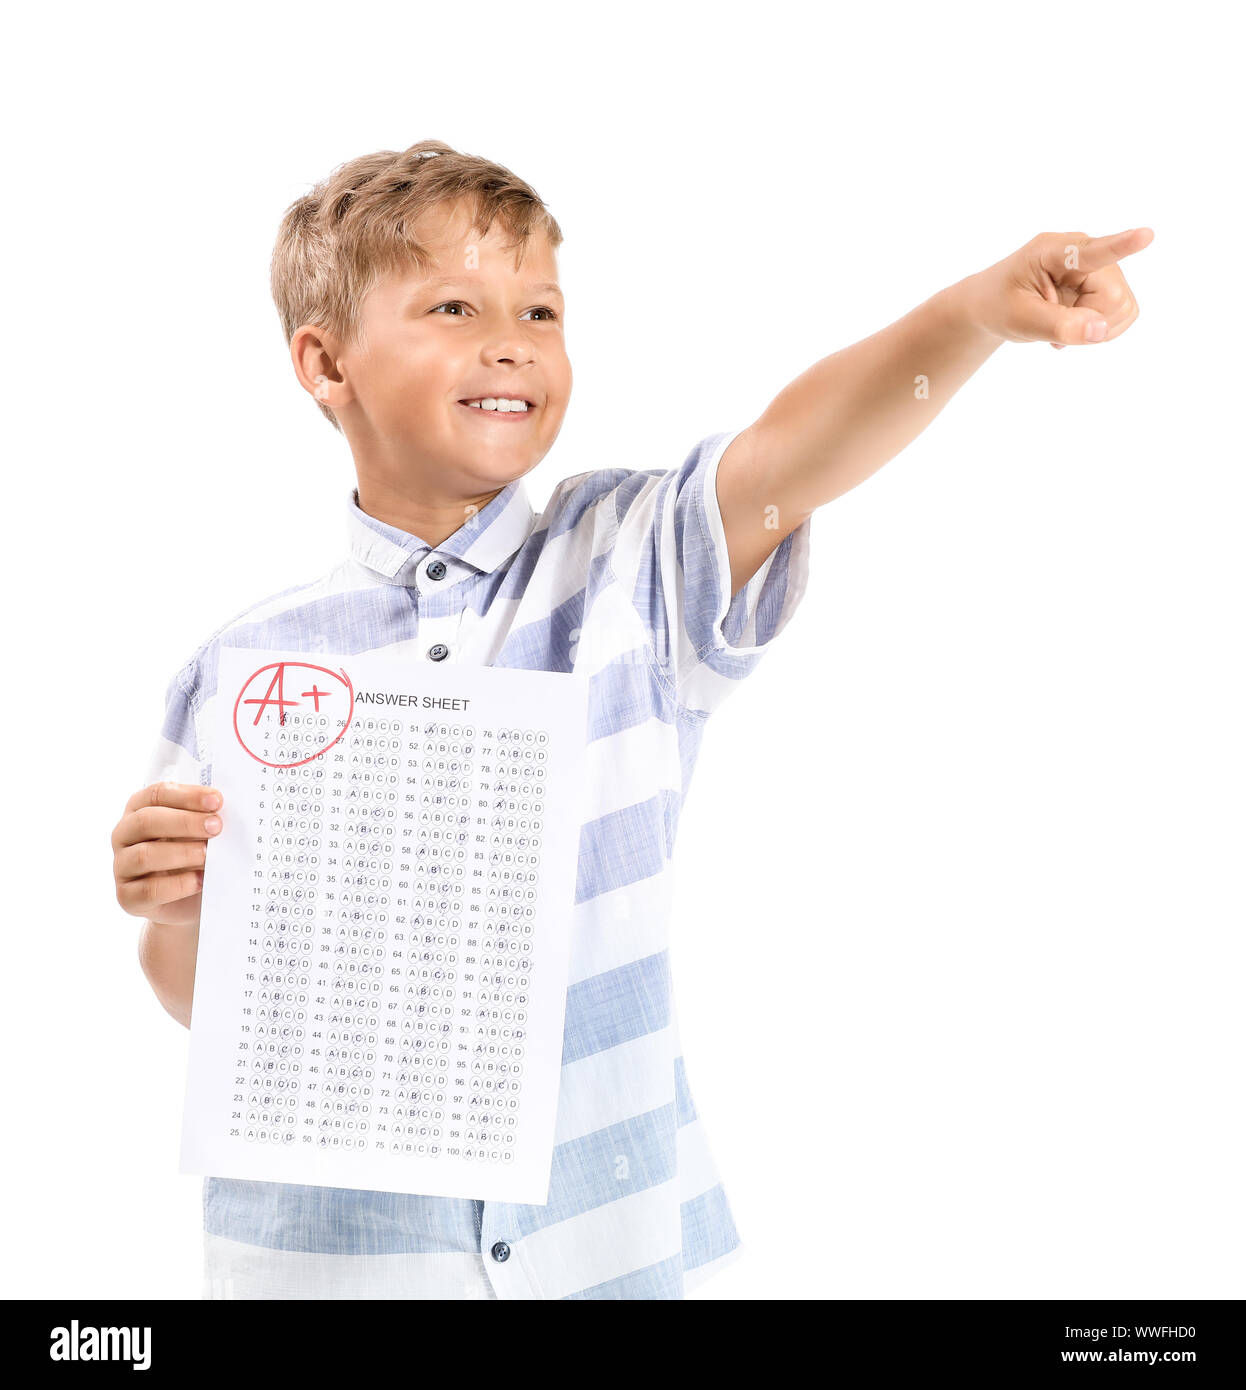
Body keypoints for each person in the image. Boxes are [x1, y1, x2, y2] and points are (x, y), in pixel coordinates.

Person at [111, 137, 1151, 1299]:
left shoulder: (627, 566)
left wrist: (972, 317)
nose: (512, 340)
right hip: (336, 1268)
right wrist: (180, 910)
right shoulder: (243, 669)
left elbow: (790, 453)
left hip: (604, 1255)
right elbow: (201, 997)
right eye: (453, 306)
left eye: (540, 311)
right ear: (324, 361)